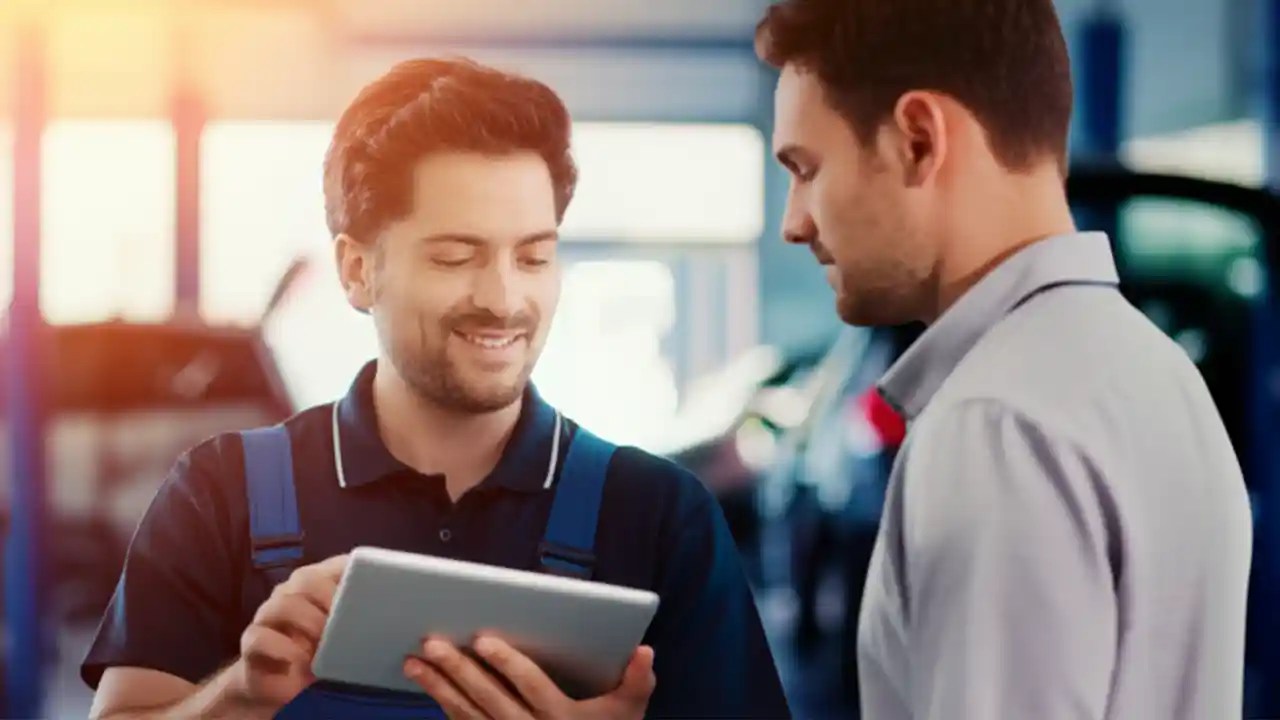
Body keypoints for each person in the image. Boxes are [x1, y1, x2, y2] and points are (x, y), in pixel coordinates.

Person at [83, 57, 791, 720]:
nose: (503, 297)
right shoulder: (221, 495)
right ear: (358, 270)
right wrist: (238, 693)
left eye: (534, 255)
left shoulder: (659, 517)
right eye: (457, 256)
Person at [756, 1, 1253, 719]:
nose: (793, 222)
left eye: (806, 168)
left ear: (919, 140)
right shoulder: (1160, 373)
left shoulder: (994, 423)